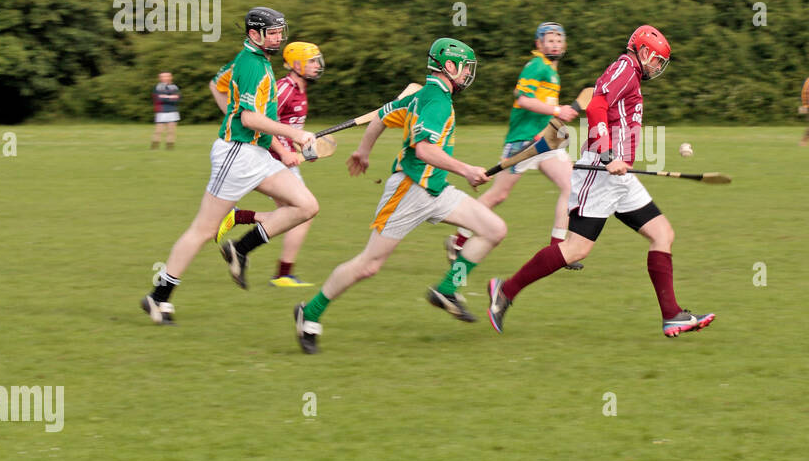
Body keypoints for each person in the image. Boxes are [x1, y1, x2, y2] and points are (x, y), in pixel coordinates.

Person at [486, 25, 715, 339]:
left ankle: (672, 315)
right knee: (576, 249)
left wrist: (617, 160)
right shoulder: (624, 68)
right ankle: (505, 291)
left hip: (621, 175)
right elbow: (595, 107)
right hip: (602, 170)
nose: (658, 67)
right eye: (657, 60)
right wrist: (608, 156)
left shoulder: (630, 73)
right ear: (644, 51)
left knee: (662, 233)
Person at [293, 38, 505, 354]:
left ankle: (448, 289)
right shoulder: (436, 101)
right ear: (450, 67)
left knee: (493, 230)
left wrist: (364, 151)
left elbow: (380, 116)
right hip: (408, 190)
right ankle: (309, 313)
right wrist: (467, 169)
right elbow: (424, 149)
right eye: (465, 69)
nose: (467, 75)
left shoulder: (420, 95)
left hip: (435, 188)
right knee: (368, 265)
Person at [140, 7, 319, 325]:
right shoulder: (251, 65)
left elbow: (217, 85)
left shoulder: (254, 60)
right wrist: (294, 135)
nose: (279, 37)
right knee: (203, 229)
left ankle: (241, 248)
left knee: (306, 205)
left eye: (281, 31)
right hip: (236, 155)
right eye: (273, 32)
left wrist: (274, 142)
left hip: (257, 154)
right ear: (255, 34)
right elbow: (249, 118)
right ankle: (158, 298)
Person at [445, 22, 582, 270]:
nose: (554, 43)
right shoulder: (536, 66)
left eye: (558, 39)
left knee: (571, 186)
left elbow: (544, 109)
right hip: (523, 141)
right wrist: (557, 110)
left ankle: (557, 249)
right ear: (538, 44)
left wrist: (556, 123)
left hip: (545, 140)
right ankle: (457, 240)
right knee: (499, 195)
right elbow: (522, 98)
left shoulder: (552, 72)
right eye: (549, 39)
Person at [213, 41, 325, 287]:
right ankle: (279, 270)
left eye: (318, 61)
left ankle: (242, 228)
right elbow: (262, 123)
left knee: (297, 213)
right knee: (299, 213)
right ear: (296, 65)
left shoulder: (300, 90)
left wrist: (303, 148)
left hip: (283, 158)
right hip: (271, 159)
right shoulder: (284, 88)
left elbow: (288, 128)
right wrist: (284, 152)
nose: (317, 66)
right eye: (312, 61)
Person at [151, 72, 180, 149]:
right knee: (158, 131)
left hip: (173, 111)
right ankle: (154, 148)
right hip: (161, 111)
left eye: (167, 76)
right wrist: (170, 96)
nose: (165, 78)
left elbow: (177, 99)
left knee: (171, 131)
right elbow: (159, 99)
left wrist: (165, 96)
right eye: (163, 77)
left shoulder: (174, 87)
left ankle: (169, 148)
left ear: (171, 77)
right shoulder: (157, 87)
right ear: (160, 78)